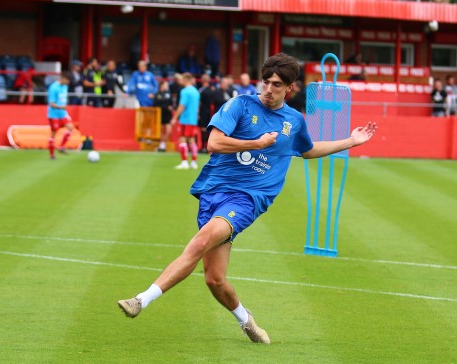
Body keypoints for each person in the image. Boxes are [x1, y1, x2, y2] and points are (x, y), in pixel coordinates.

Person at [117, 53, 378, 343]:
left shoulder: (294, 120)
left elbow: (307, 150)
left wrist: (351, 141)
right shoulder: (240, 104)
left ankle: (141, 300)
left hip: (248, 199)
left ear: (289, 88)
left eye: (277, 85)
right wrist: (256, 143)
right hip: (214, 193)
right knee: (215, 280)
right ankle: (246, 319)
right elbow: (213, 143)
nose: (268, 89)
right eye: (265, 82)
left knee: (200, 242)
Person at [171, 72, 201, 169]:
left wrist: (175, 118)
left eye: (183, 79)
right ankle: (194, 162)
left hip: (185, 119)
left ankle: (184, 162)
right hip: (193, 119)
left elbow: (181, 106)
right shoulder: (196, 92)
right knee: (192, 140)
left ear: (186, 79)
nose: (181, 81)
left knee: (182, 139)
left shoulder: (184, 91)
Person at [46, 71, 74, 160]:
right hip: (54, 114)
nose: (68, 82)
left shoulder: (65, 86)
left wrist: (63, 107)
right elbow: (51, 103)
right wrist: (61, 107)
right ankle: (51, 154)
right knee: (54, 133)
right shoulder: (54, 88)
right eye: (68, 80)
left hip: (63, 114)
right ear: (63, 78)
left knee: (70, 127)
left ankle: (61, 147)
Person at [153, 79, 175, 152]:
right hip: (160, 115)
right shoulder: (157, 94)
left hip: (168, 115)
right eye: (165, 84)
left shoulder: (169, 94)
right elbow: (156, 104)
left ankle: (162, 145)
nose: (166, 86)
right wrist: (166, 106)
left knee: (168, 131)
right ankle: (162, 146)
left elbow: (171, 104)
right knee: (162, 131)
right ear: (161, 85)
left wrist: (170, 108)